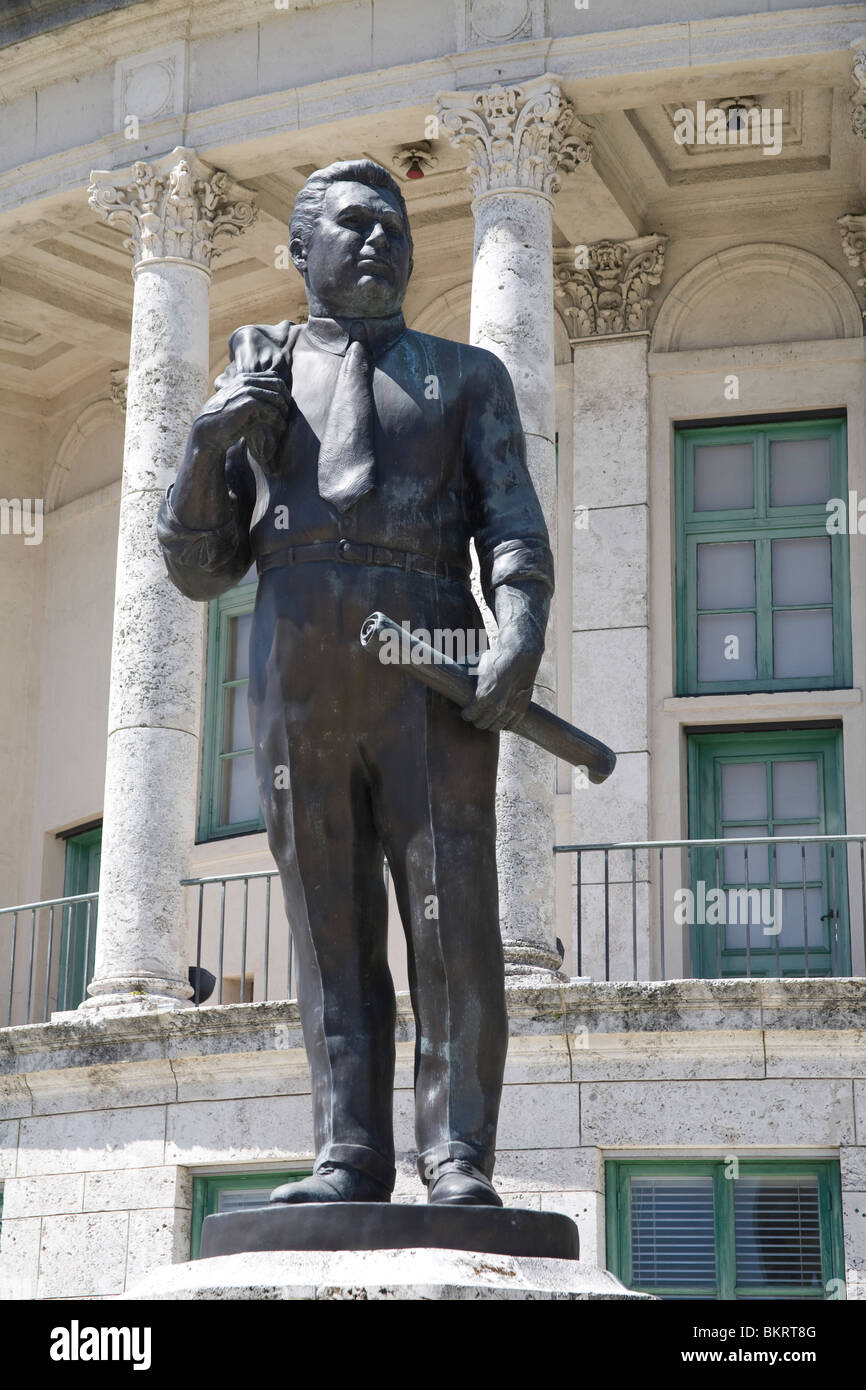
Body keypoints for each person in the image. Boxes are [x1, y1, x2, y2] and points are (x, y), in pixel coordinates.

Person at [157, 159, 553, 1207]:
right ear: (299, 253)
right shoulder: (257, 374)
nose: (377, 239)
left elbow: (511, 526)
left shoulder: (467, 377)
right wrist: (208, 444)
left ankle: (457, 1154)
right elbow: (202, 567)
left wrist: (516, 633)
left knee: (451, 918)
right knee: (328, 926)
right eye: (351, 224)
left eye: (393, 225)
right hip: (296, 666)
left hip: (430, 662)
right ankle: (348, 1152)